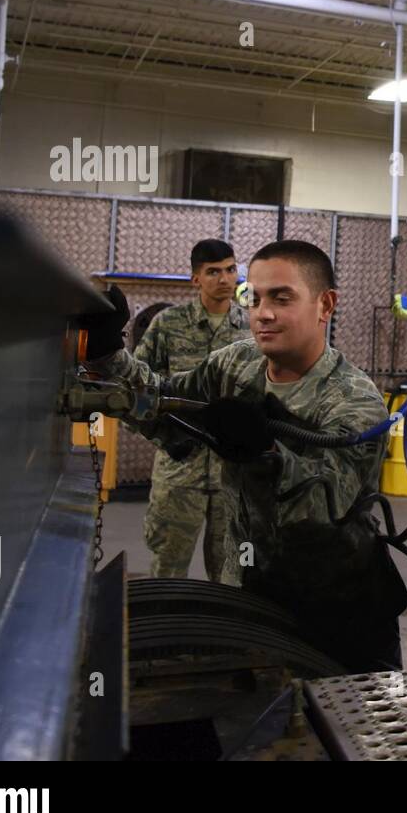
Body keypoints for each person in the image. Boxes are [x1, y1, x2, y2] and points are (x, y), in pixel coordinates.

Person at [82, 240, 407, 672]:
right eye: (254, 298)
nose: (263, 313)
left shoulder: (355, 402)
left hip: (340, 610)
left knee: (346, 729)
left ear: (325, 304)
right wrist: (106, 353)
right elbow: (161, 403)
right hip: (255, 592)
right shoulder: (236, 365)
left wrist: (264, 452)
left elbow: (322, 506)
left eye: (281, 298)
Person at [133, 238, 250, 582]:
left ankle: (227, 635)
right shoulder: (168, 325)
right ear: (195, 278)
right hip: (179, 473)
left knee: (232, 575)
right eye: (213, 272)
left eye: (230, 270)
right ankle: (164, 634)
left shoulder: (251, 330)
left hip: (233, 475)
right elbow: (135, 388)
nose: (225, 279)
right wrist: (162, 435)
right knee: (168, 572)